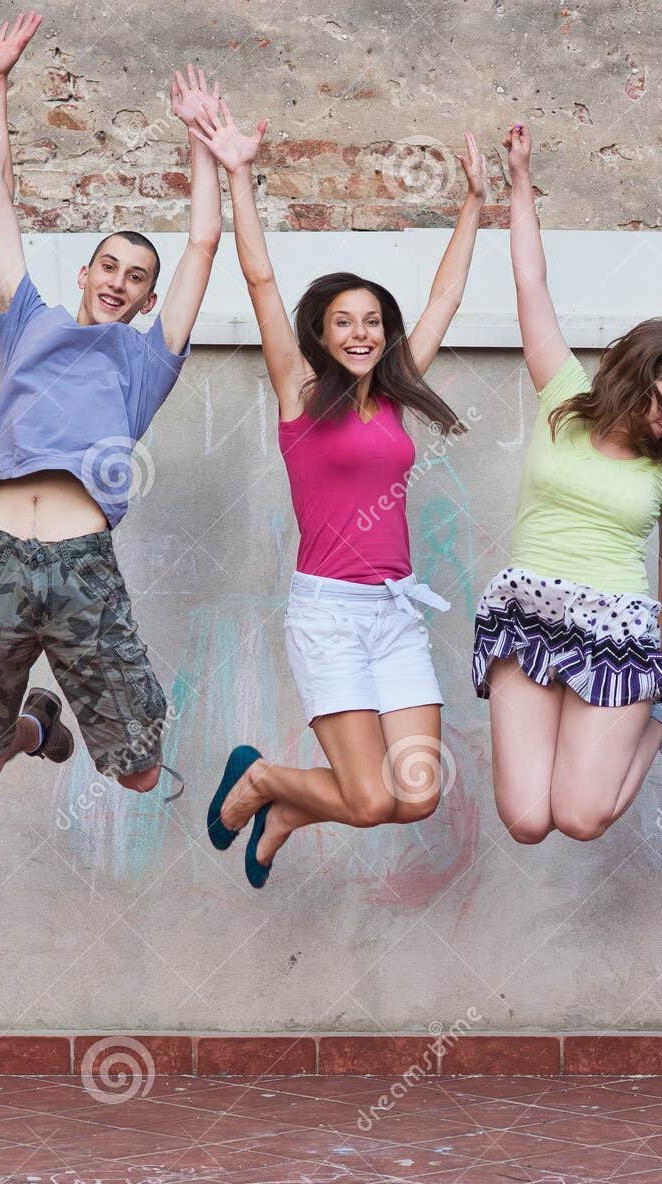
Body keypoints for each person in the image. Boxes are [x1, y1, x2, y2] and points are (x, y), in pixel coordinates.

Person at [0, 11, 218, 800]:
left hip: (82, 566)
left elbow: (203, 246)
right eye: (108, 266)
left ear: (148, 298)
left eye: (136, 276)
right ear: (84, 272)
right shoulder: (29, 322)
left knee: (141, 773)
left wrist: (203, 146)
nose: (120, 281)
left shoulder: (146, 363)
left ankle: (59, 725)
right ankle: (35, 729)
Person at [193, 100, 487, 887]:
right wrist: (239, 173)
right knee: (365, 800)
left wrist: (474, 201)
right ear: (320, 335)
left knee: (416, 797)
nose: (360, 333)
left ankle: (285, 805)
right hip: (328, 615)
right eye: (342, 322)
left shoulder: (394, 395)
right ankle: (262, 783)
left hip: (393, 613)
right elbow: (259, 275)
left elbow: (444, 300)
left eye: (371, 322)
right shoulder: (298, 395)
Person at [474, 122, 662, 847]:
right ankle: (647, 707)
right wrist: (520, 182)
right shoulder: (564, 397)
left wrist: (659, 647)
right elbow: (530, 283)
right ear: (637, 375)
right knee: (525, 820)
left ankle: (659, 713)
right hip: (529, 610)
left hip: (616, 626)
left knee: (581, 818)